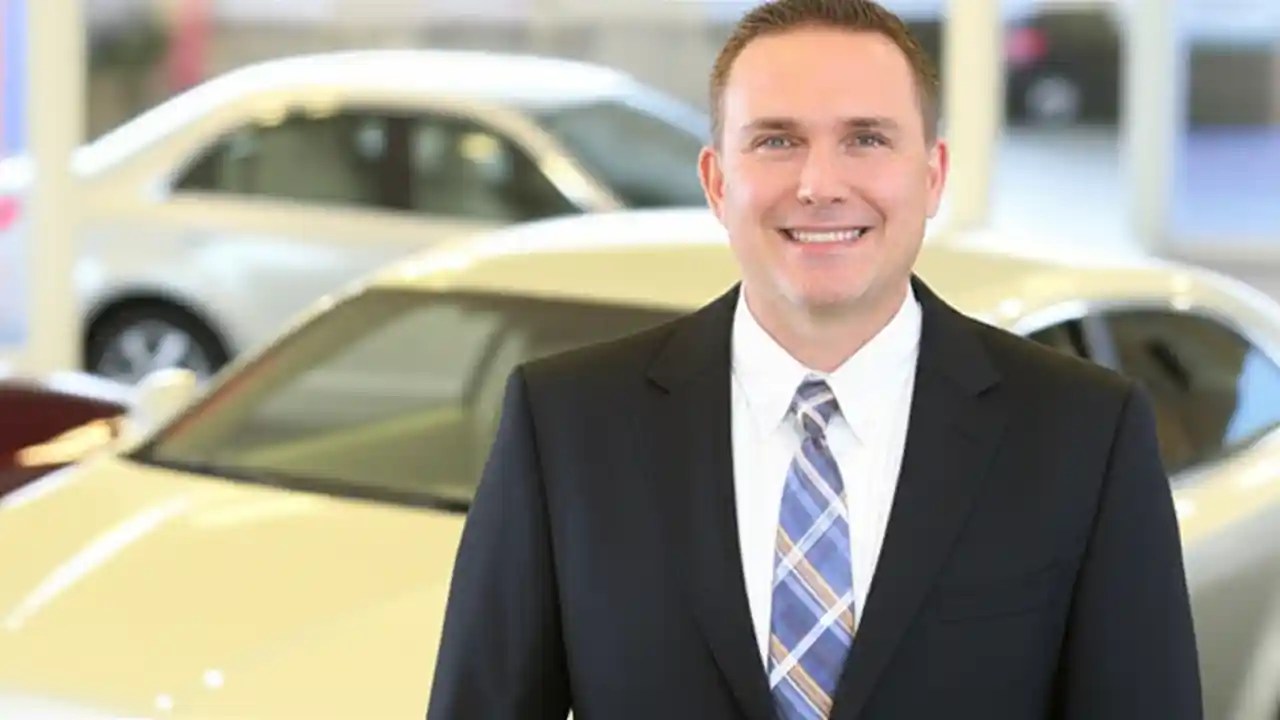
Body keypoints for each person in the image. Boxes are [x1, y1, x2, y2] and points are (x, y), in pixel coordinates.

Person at [426, 0, 1203, 717]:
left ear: (931, 175)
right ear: (716, 180)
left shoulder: (1084, 434)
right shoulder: (566, 427)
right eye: (776, 140)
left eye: (866, 138)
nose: (820, 184)